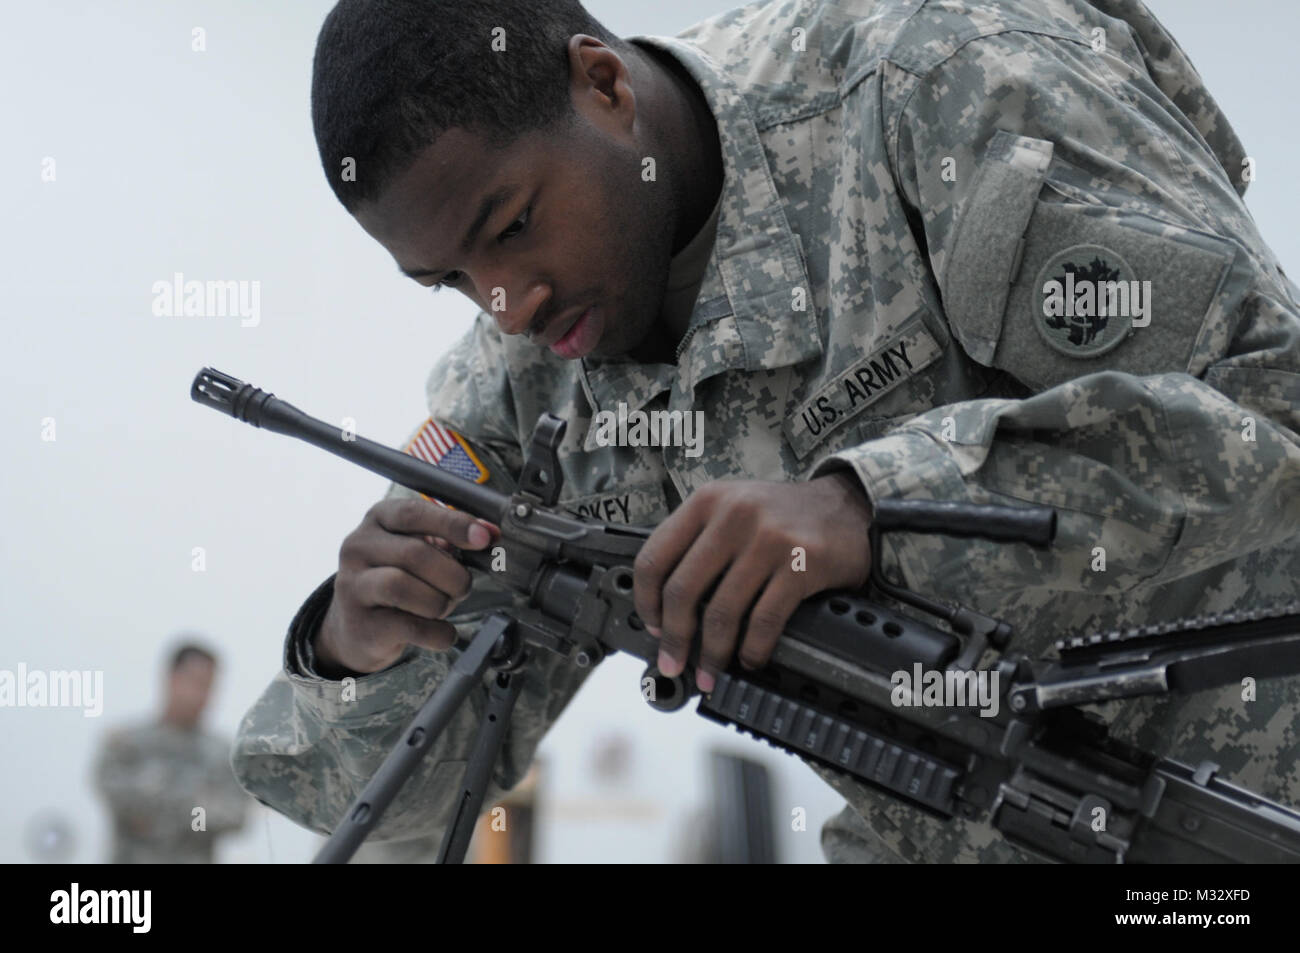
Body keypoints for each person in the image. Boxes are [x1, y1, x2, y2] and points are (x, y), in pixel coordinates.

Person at [232, 0, 1300, 862]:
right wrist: (355, 650)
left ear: (602, 87)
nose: (507, 301)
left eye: (510, 226)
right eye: (450, 283)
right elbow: (397, 821)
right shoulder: (522, 391)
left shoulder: (942, 79)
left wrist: (871, 509)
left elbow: (1270, 404)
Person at [95, 643, 248, 863]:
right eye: (194, 682)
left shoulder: (223, 753)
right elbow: (121, 802)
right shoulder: (125, 743)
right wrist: (197, 805)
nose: (201, 695)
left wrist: (172, 809)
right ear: (171, 679)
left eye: (209, 686)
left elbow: (235, 817)